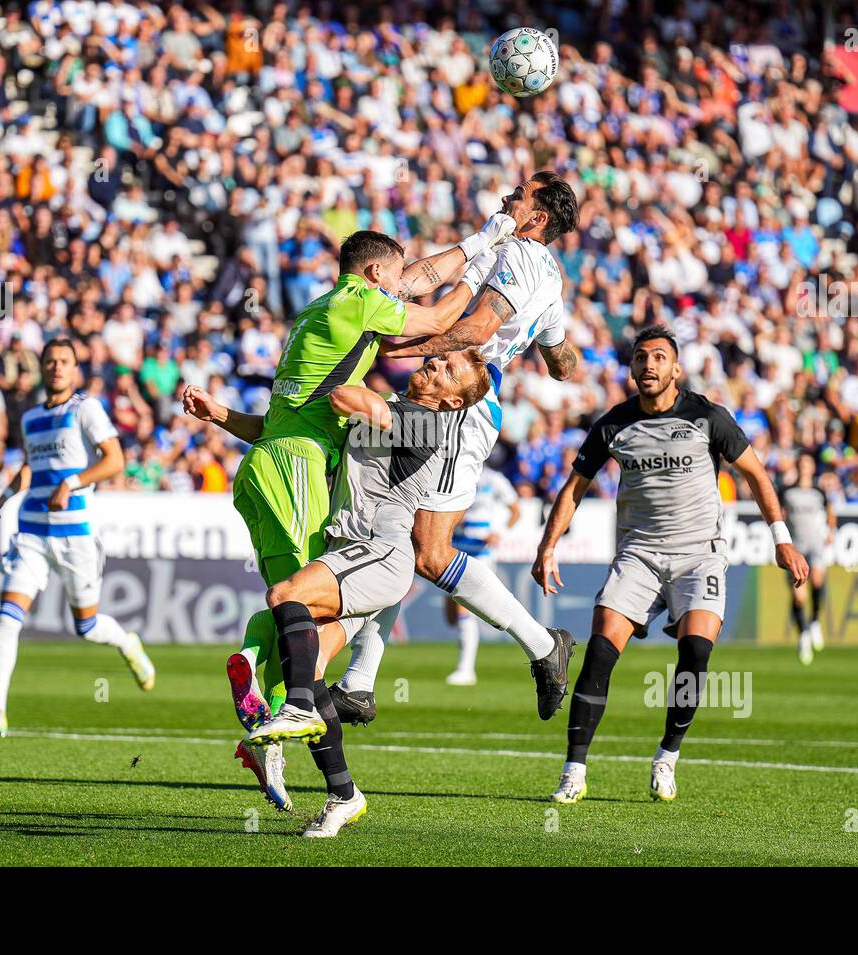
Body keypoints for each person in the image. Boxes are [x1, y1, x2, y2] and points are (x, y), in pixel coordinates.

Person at [182, 224, 509, 810]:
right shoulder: (361, 302)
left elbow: (296, 415)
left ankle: (284, 715)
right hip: (300, 473)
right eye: (400, 280)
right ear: (378, 275)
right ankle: (284, 710)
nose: (404, 294)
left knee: (291, 612)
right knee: (297, 617)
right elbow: (436, 325)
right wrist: (491, 257)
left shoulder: (317, 314)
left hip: (266, 463)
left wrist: (220, 415)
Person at [332, 170, 583, 726]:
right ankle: (359, 681)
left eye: (519, 195)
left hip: (460, 406)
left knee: (428, 550)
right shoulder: (542, 272)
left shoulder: (521, 256)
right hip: (445, 396)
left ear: (537, 217)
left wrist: (398, 346)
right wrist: (553, 352)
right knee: (393, 525)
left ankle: (544, 646)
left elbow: (475, 331)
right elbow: (563, 363)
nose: (506, 196)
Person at [532, 326, 808, 804]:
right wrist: (548, 546)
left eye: (659, 357)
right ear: (632, 368)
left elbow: (756, 475)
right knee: (600, 652)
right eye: (640, 357)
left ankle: (667, 755)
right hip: (638, 555)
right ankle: (574, 769)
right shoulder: (614, 424)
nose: (649, 365)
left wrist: (782, 540)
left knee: (696, 654)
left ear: (676, 369)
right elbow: (574, 487)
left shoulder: (707, 416)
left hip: (699, 554)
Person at [242, 348, 494, 835]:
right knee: (311, 668)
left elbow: (339, 394)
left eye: (448, 370)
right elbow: (288, 432)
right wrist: (221, 416)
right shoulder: (396, 408)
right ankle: (343, 794)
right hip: (353, 553)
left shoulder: (426, 423)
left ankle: (293, 705)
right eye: (440, 358)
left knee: (283, 595)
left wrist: (365, 348)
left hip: (380, 551)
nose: (436, 362)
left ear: (449, 403)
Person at [0, 338, 155, 736]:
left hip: (75, 536)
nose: (56, 367)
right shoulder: (31, 416)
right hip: (31, 530)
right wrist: (3, 496)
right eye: (50, 361)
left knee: (85, 627)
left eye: (64, 362)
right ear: (43, 368)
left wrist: (73, 482)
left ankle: (126, 643)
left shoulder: (86, 409)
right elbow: (30, 468)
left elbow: (115, 460)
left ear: (74, 369)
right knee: (7, 617)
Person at [445, 465, 521, 685]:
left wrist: (499, 533)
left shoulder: (493, 479)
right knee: (451, 616)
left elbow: (516, 510)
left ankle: (466, 670)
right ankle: (466, 663)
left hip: (481, 552)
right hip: (454, 548)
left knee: (462, 606)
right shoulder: (455, 472)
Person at [781, 453, 836, 664]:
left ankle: (814, 621)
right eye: (801, 463)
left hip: (815, 546)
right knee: (798, 597)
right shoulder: (787, 491)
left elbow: (831, 511)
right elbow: (776, 511)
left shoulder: (818, 491)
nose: (804, 467)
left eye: (808, 463)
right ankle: (803, 633)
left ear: (812, 468)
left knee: (818, 580)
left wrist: (831, 530)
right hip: (796, 548)